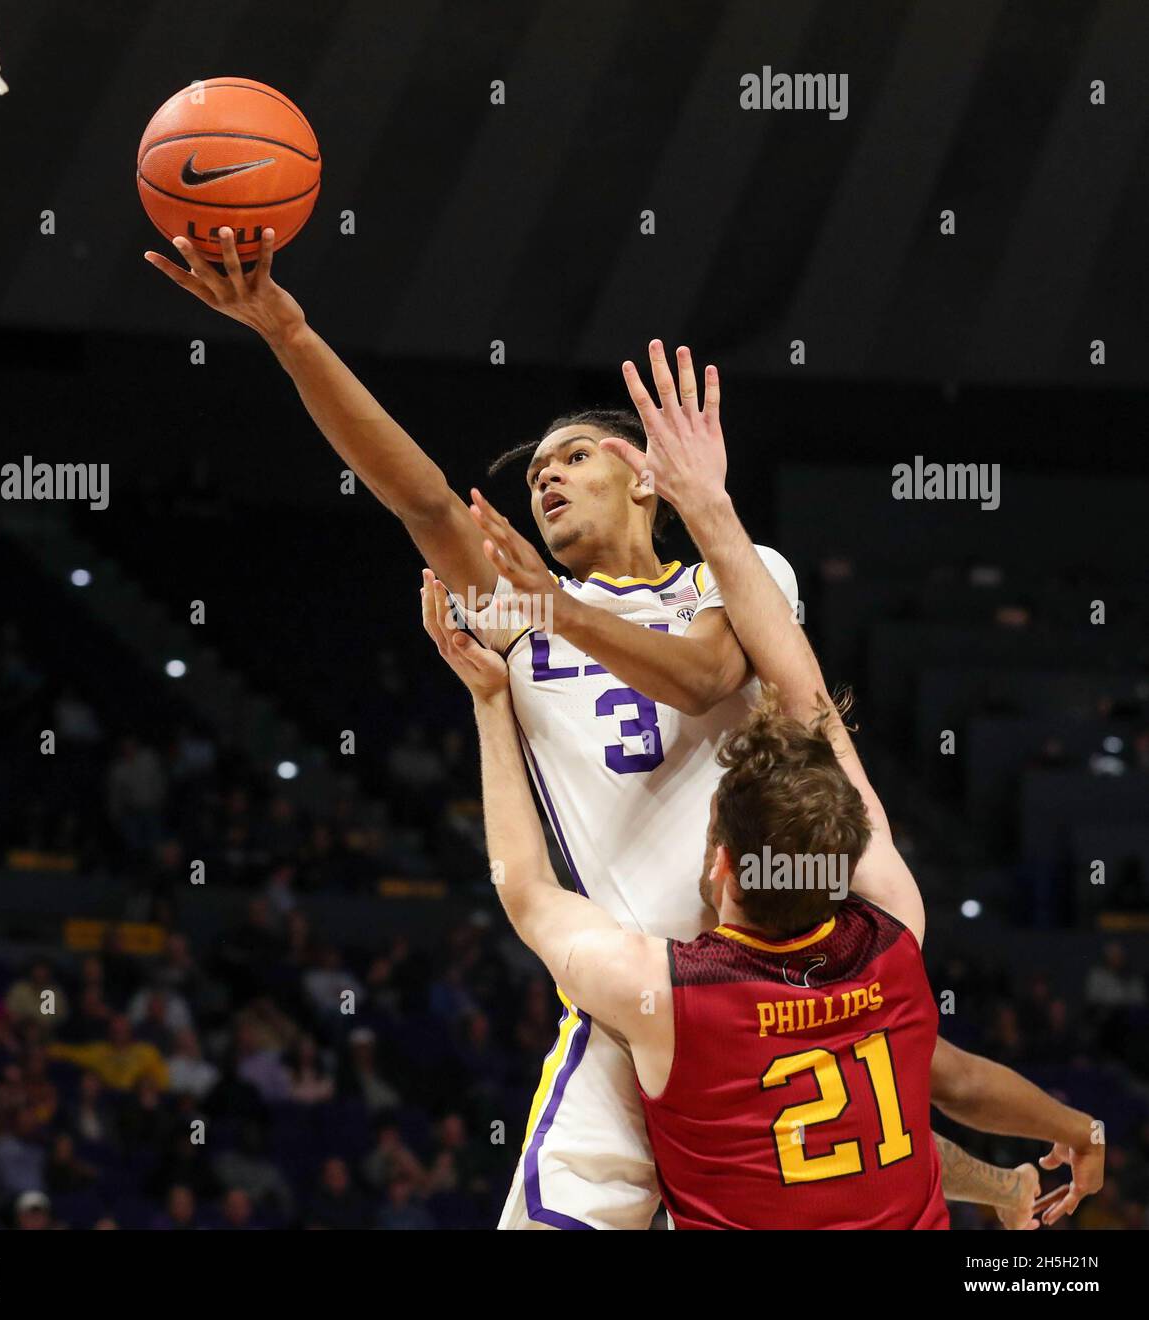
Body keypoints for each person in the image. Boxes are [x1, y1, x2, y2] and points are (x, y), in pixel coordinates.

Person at [146, 229, 796, 1229]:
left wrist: (571, 613)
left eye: (573, 456)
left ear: (643, 478)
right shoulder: (519, 617)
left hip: (779, 990)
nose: (545, 478)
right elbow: (415, 495)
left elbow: (709, 675)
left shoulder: (736, 572)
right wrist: (288, 332)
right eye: (535, 473)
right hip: (634, 1005)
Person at [417, 343, 1105, 1227]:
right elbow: (951, 1076)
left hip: (677, 1026)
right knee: (862, 1092)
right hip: (850, 1110)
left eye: (574, 456)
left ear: (719, 869)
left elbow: (522, 887)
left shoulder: (662, 997)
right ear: (841, 853)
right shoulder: (889, 943)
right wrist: (1076, 1127)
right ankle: (1005, 1189)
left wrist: (488, 702)